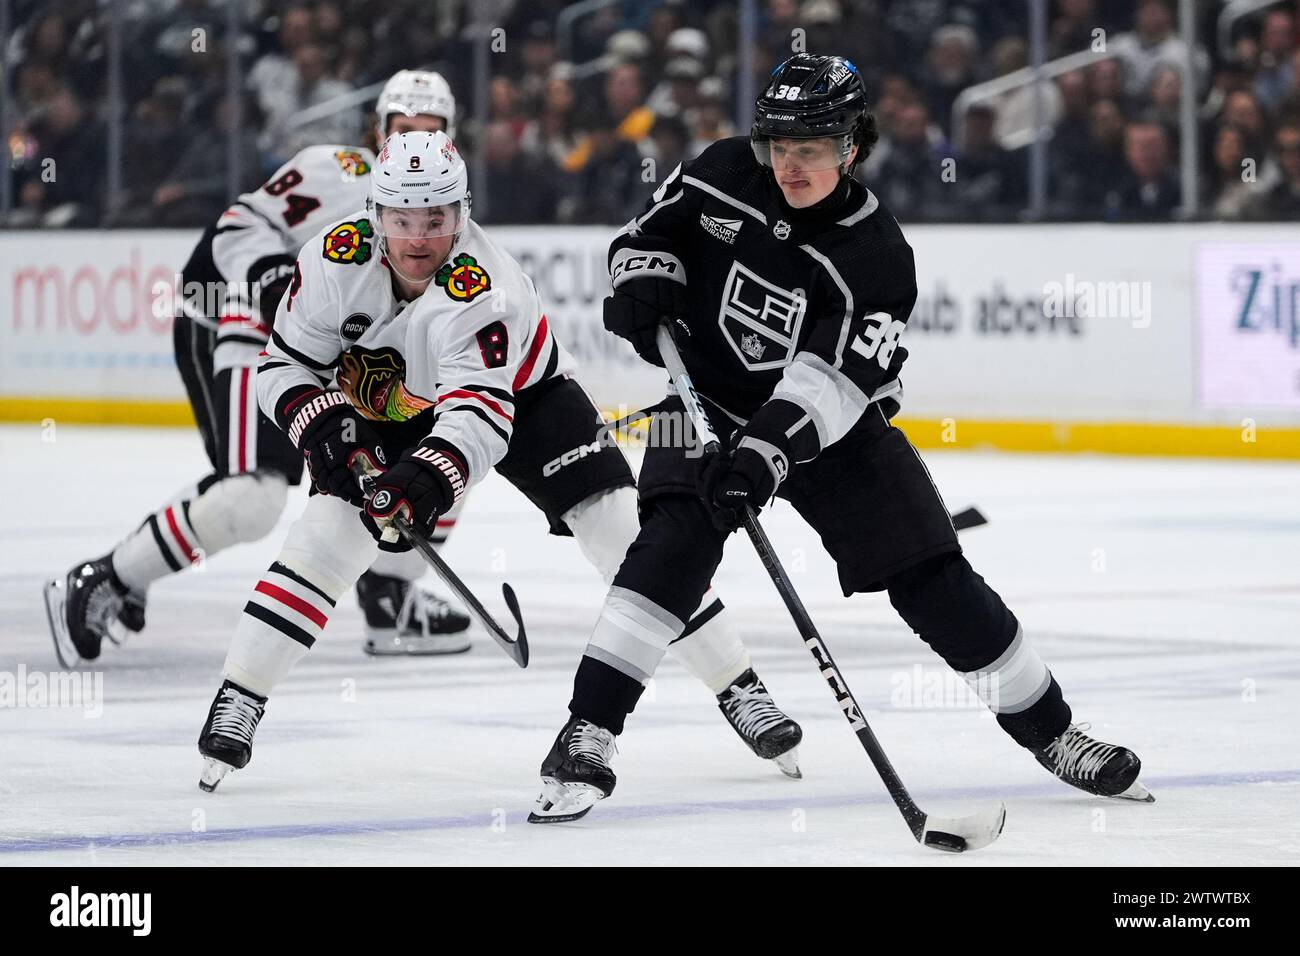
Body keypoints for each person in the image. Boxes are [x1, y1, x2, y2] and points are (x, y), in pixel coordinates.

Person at [529, 54, 1153, 824]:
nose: (791, 165)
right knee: (664, 553)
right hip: (701, 404)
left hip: (835, 436)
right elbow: (642, 237)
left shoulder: (877, 255)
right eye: (780, 147)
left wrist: (762, 452)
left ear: (852, 147)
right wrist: (639, 280)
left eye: (813, 149)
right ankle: (586, 733)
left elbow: (831, 382)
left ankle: (1055, 734)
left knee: (934, 580)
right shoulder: (723, 168)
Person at [195, 130, 803, 793]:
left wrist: (424, 483)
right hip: (391, 407)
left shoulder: (486, 287)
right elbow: (283, 365)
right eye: (403, 219)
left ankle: (739, 687)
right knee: (327, 535)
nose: (420, 238)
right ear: (377, 214)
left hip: (528, 397)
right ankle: (242, 695)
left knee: (626, 534)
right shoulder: (332, 259)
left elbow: (480, 419)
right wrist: (319, 427)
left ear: (462, 213)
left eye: (436, 218)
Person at [44, 71, 477, 665]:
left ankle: (388, 593)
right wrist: (273, 276)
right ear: (377, 131)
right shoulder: (342, 171)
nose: (416, 147)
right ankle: (107, 577)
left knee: (446, 435)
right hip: (245, 319)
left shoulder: (448, 210)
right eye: (405, 131)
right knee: (252, 498)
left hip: (333, 347)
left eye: (432, 133)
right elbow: (237, 227)